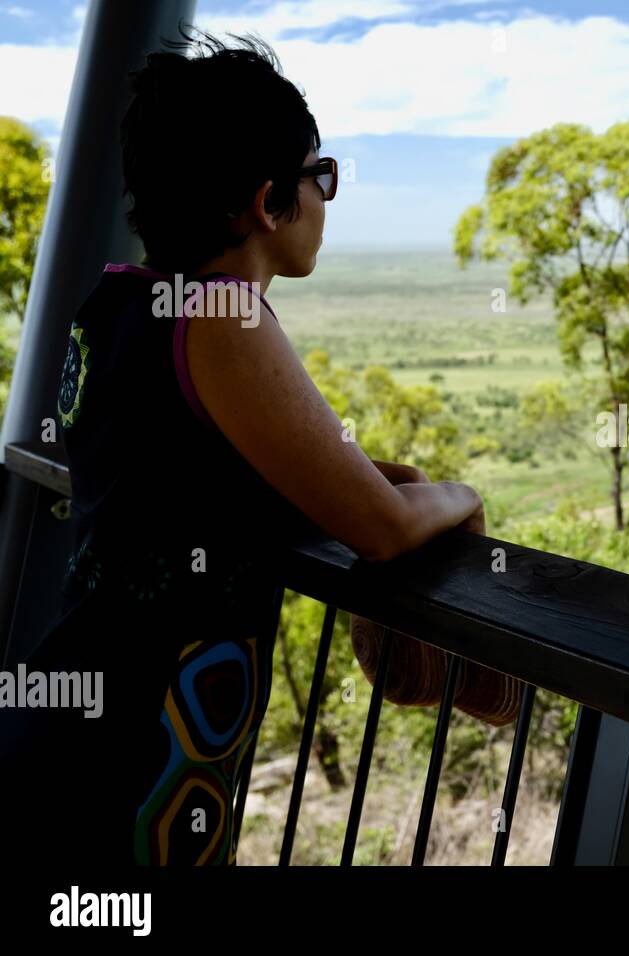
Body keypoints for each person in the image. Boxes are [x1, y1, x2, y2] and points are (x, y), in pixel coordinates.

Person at [0, 29, 517, 866]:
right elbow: (380, 527)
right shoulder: (228, 317)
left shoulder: (120, 306)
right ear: (265, 202)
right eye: (320, 177)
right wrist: (459, 497)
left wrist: (396, 477)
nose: (325, 200)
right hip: (126, 756)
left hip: (75, 726)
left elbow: (200, 472)